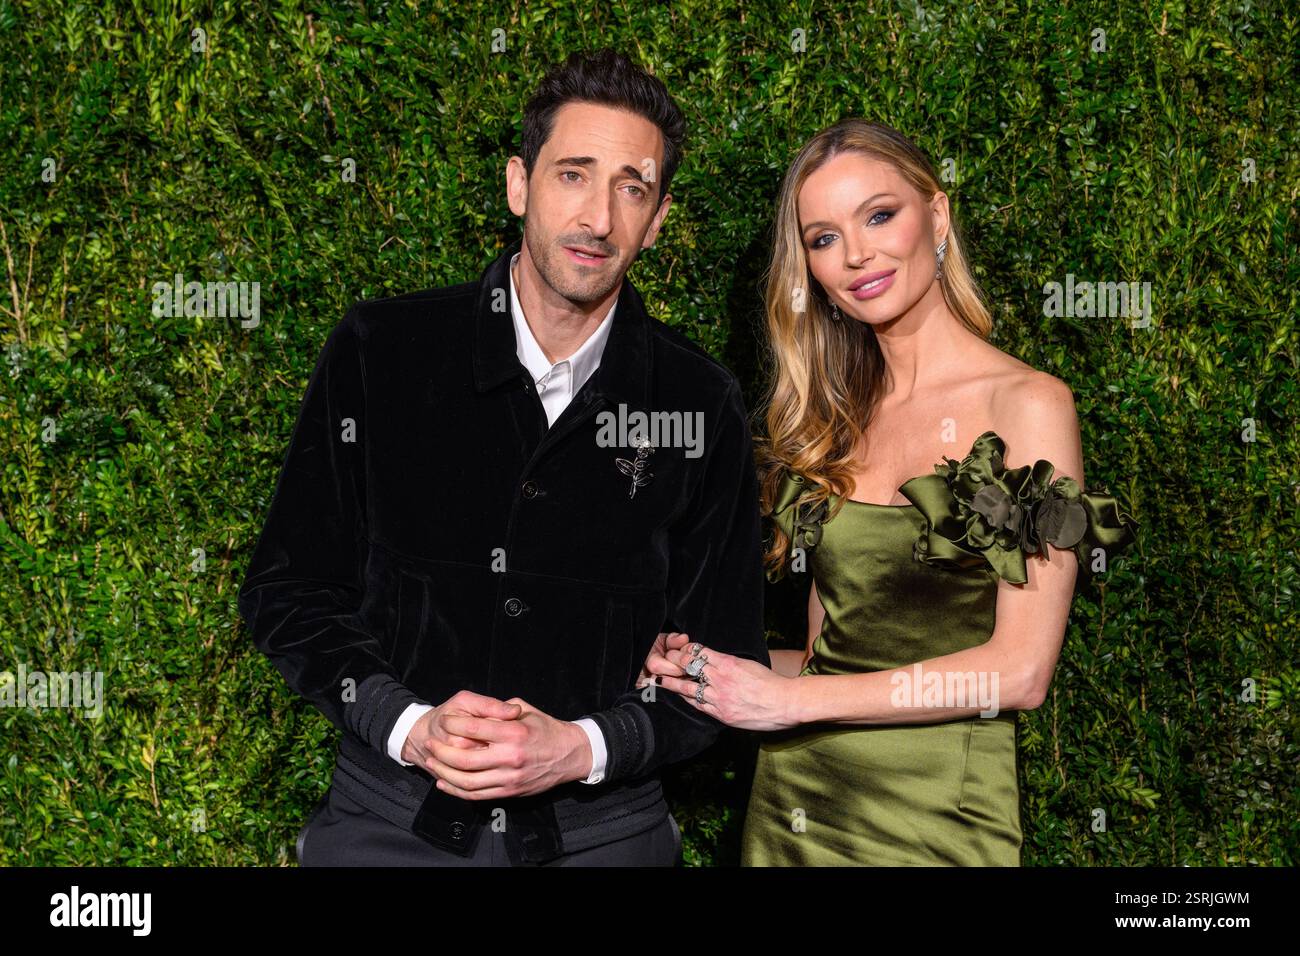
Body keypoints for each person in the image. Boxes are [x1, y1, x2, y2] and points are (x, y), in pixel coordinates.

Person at [237, 48, 769, 866]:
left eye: (633, 187)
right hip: (389, 819)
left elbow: (722, 668)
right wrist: (408, 726)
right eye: (573, 175)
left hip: (604, 835)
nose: (599, 216)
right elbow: (289, 591)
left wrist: (584, 746)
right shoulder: (383, 350)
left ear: (658, 219)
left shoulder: (700, 403)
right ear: (519, 184)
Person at [641, 119, 1138, 865]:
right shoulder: (828, 424)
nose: (857, 255)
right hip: (794, 811)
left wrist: (790, 703)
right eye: (823, 237)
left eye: (879, 215)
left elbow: (1021, 671)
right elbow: (827, 657)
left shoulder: (1029, 405)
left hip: (938, 821)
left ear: (935, 217)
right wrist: (708, 667)